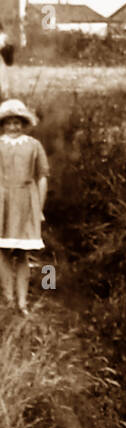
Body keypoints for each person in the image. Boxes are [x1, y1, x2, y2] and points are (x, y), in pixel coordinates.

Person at [0, 99, 49, 316]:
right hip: (2, 202)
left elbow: (42, 177)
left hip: (26, 202)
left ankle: (22, 302)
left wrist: (39, 206)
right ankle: (8, 299)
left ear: (24, 123)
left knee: (22, 253)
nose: (13, 126)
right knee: (1, 251)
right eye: (9, 122)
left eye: (17, 122)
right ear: (3, 124)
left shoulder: (33, 145)